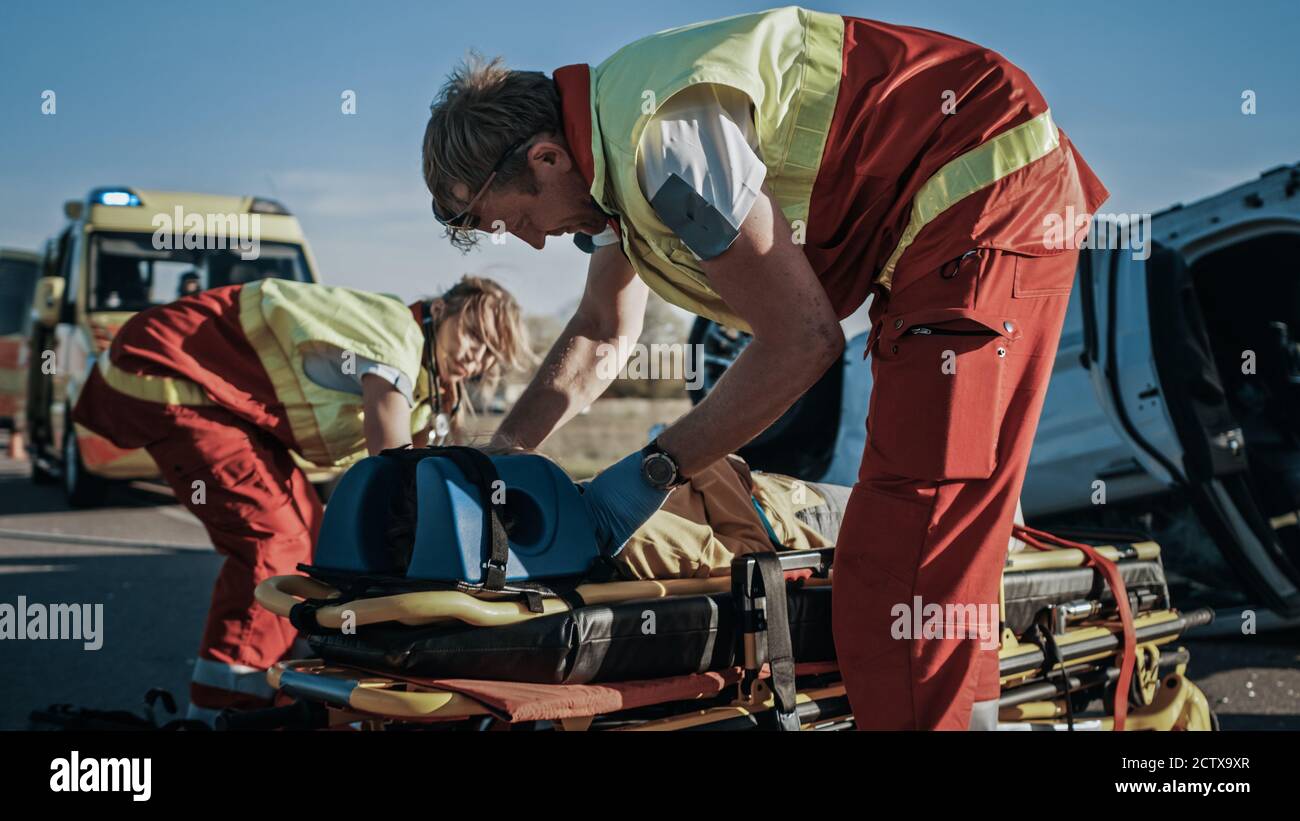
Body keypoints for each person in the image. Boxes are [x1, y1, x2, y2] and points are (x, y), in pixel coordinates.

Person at [420, 7, 1108, 729]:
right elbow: (598, 333)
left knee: (905, 560)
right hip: (949, 222)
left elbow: (802, 340)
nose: (532, 245)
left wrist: (658, 468)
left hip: (984, 196)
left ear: (545, 158)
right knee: (926, 546)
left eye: (519, 222)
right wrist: (505, 454)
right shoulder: (606, 171)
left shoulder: (662, 146)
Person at [72, 275, 531, 722]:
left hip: (219, 397)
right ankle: (221, 711)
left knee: (307, 536)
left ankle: (275, 694)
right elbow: (394, 465)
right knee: (274, 545)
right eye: (475, 335)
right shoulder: (396, 335)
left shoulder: (427, 389)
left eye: (491, 353)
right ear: (439, 311)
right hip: (170, 364)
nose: (478, 357)